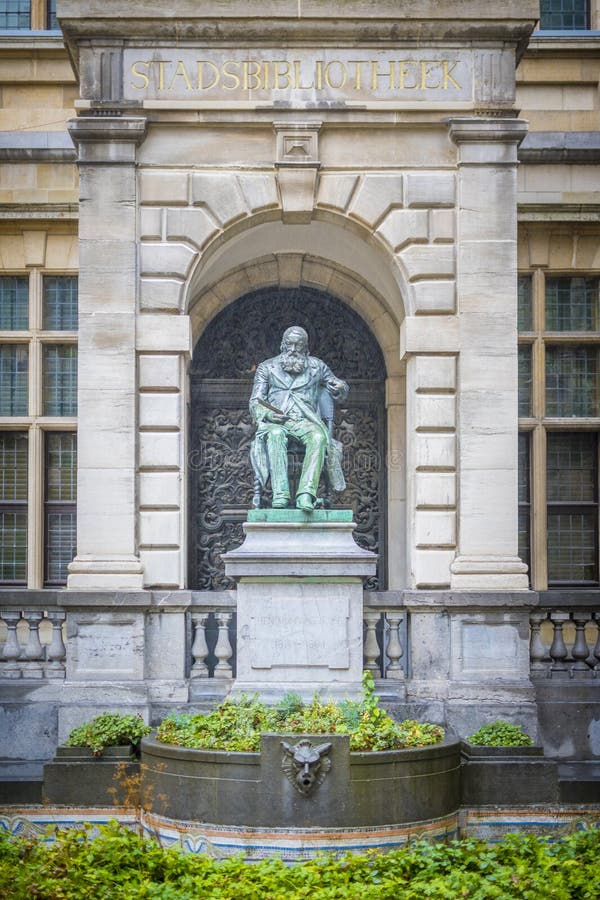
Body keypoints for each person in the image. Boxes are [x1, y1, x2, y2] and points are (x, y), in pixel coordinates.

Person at [249, 325, 348, 511]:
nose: (293, 350)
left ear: (306, 347)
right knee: (276, 434)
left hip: (305, 421)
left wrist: (341, 387)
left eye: (298, 345)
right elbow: (255, 402)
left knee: (319, 437)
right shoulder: (266, 368)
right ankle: (280, 494)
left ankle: (306, 494)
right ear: (282, 345)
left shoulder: (317, 366)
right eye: (289, 344)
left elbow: (339, 388)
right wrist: (270, 414)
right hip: (276, 422)